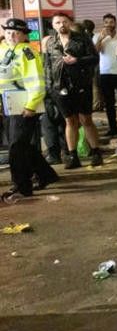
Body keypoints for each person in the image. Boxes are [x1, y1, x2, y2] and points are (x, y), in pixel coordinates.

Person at [0, 18, 59, 202]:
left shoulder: (27, 52)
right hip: (8, 104)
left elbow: (36, 81)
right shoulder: (3, 49)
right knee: (22, 145)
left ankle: (22, 186)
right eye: (8, 32)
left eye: (16, 33)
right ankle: (46, 174)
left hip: (23, 105)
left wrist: (31, 105)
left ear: (24, 35)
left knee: (17, 148)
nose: (11, 35)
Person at [45, 13, 102, 168]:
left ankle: (96, 153)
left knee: (86, 120)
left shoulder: (82, 39)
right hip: (60, 87)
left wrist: (77, 60)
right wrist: (50, 88)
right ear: (53, 25)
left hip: (81, 85)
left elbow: (95, 58)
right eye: (58, 22)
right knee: (69, 121)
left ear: (70, 23)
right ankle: (73, 156)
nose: (61, 25)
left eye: (64, 21)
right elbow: (47, 66)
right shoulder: (50, 42)